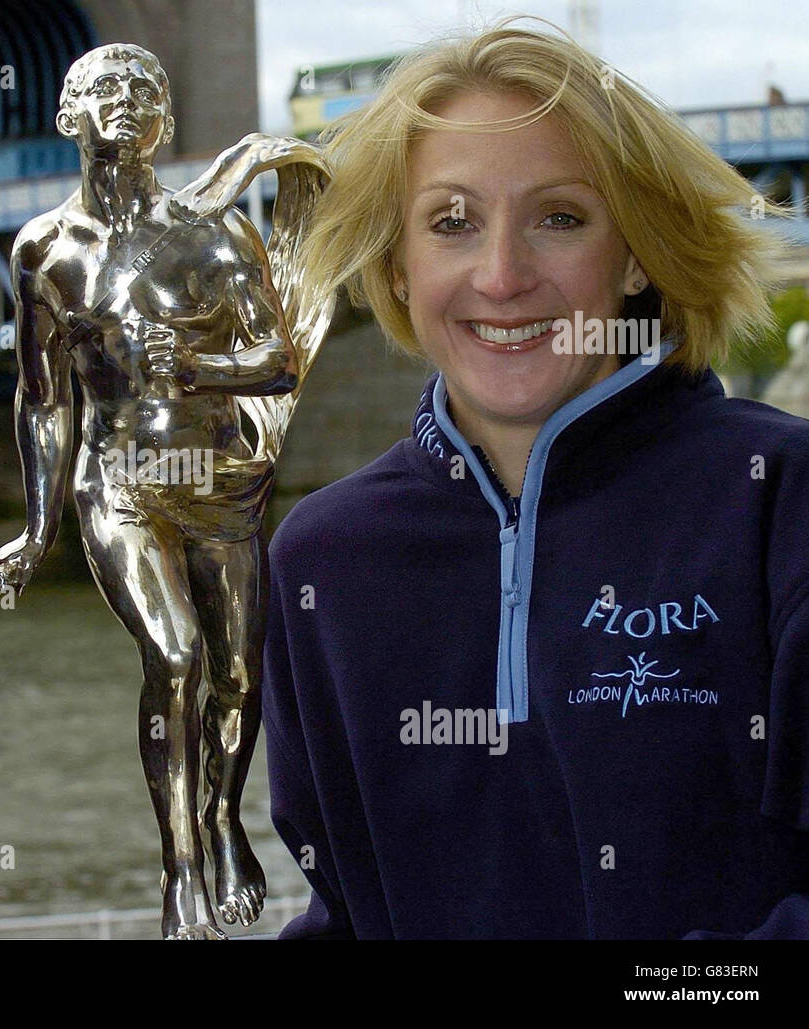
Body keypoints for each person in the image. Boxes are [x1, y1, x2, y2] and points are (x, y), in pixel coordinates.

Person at [263, 18, 809, 939]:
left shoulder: (778, 499)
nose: (503, 274)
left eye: (559, 218)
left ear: (636, 254)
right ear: (399, 263)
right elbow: (350, 909)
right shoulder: (323, 557)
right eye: (451, 222)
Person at [0, 43, 331, 938]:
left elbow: (280, 361)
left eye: (145, 90)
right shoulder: (43, 252)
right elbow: (44, 398)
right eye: (104, 89)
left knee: (241, 678)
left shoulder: (216, 236)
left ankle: (220, 817)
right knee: (174, 658)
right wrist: (35, 527)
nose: (126, 102)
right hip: (120, 482)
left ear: (166, 120)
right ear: (68, 116)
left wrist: (205, 362)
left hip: (217, 480)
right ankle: (180, 866)